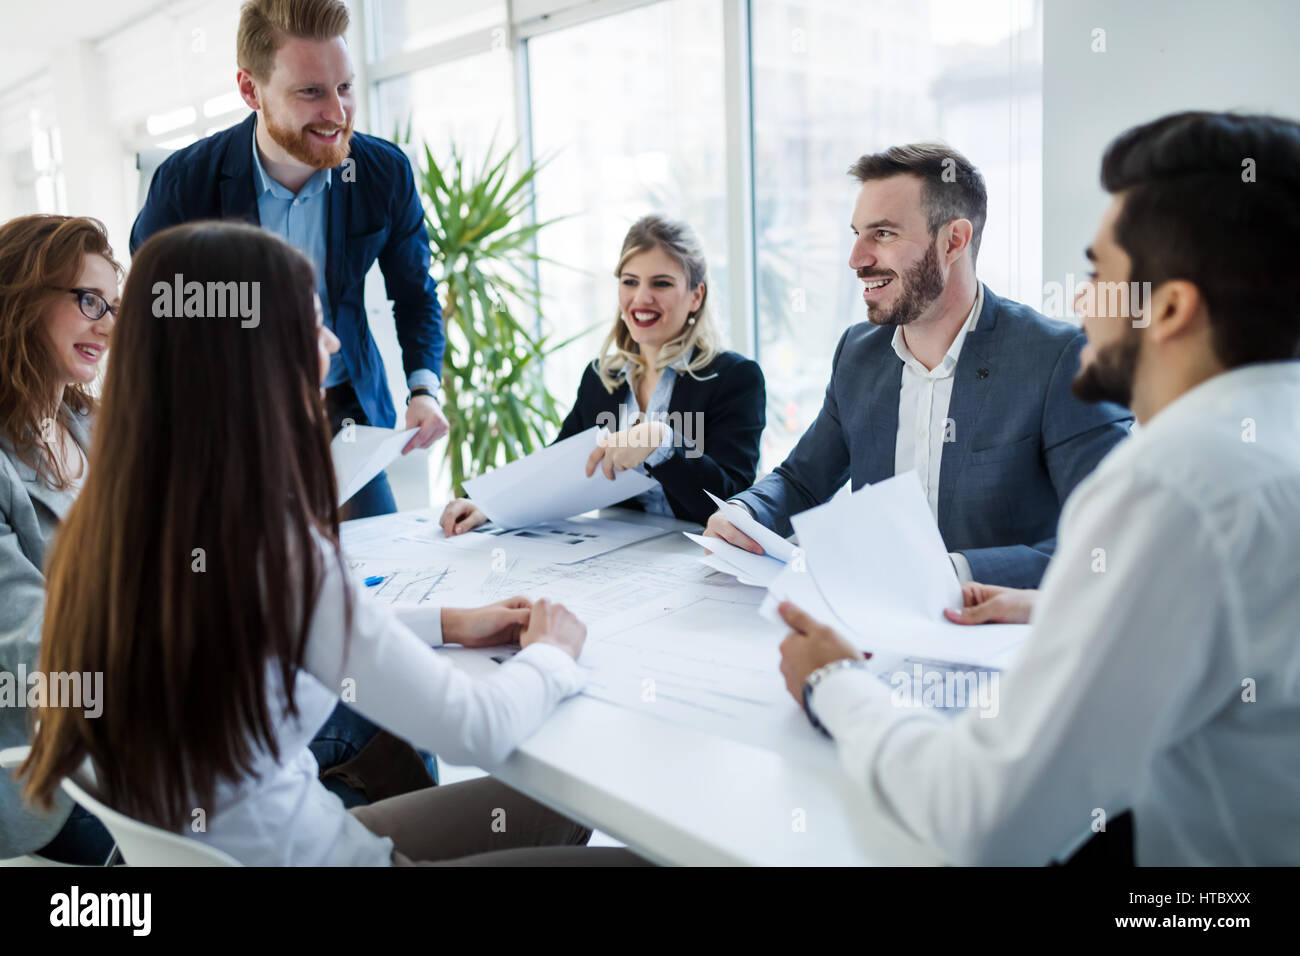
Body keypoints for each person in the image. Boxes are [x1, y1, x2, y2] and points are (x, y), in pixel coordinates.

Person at [19, 221, 645, 866]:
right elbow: (474, 729)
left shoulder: (111, 524)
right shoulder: (265, 544)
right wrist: (553, 654)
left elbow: (278, 634)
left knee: (556, 804)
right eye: (312, 322)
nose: (331, 341)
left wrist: (448, 622)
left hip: (269, 843)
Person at [776, 111, 1300, 865]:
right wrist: (1058, 602)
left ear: (1172, 309)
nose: (1081, 303)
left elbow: (985, 817)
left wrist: (832, 683)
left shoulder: (1174, 486)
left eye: (1096, 275)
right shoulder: (1257, 448)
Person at [705, 144, 1133, 588]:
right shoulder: (858, 352)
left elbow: (1110, 540)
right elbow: (802, 480)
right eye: (856, 234)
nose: (857, 258)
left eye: (883, 234)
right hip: (873, 627)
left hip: (1002, 636)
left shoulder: (1056, 358)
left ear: (953, 241)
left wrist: (955, 574)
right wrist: (746, 512)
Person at [130, 0, 447, 522]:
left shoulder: (382, 173)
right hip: (228, 414)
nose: (338, 113)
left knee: (377, 565)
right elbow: (152, 305)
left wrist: (423, 388)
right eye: (311, 92)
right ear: (250, 90)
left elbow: (414, 293)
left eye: (344, 87)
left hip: (345, 411)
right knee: (246, 577)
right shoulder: (187, 183)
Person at [440, 213, 765, 534]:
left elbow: (730, 501)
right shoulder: (601, 377)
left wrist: (662, 443)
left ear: (696, 296)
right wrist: (489, 505)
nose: (641, 298)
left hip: (695, 556)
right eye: (630, 281)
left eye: (661, 283)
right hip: (616, 555)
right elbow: (555, 466)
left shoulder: (736, 379)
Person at [0, 215, 120, 864]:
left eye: (113, 305)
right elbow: (35, 652)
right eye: (89, 301)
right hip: (52, 775)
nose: (106, 323)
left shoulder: (89, 425)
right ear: (22, 299)